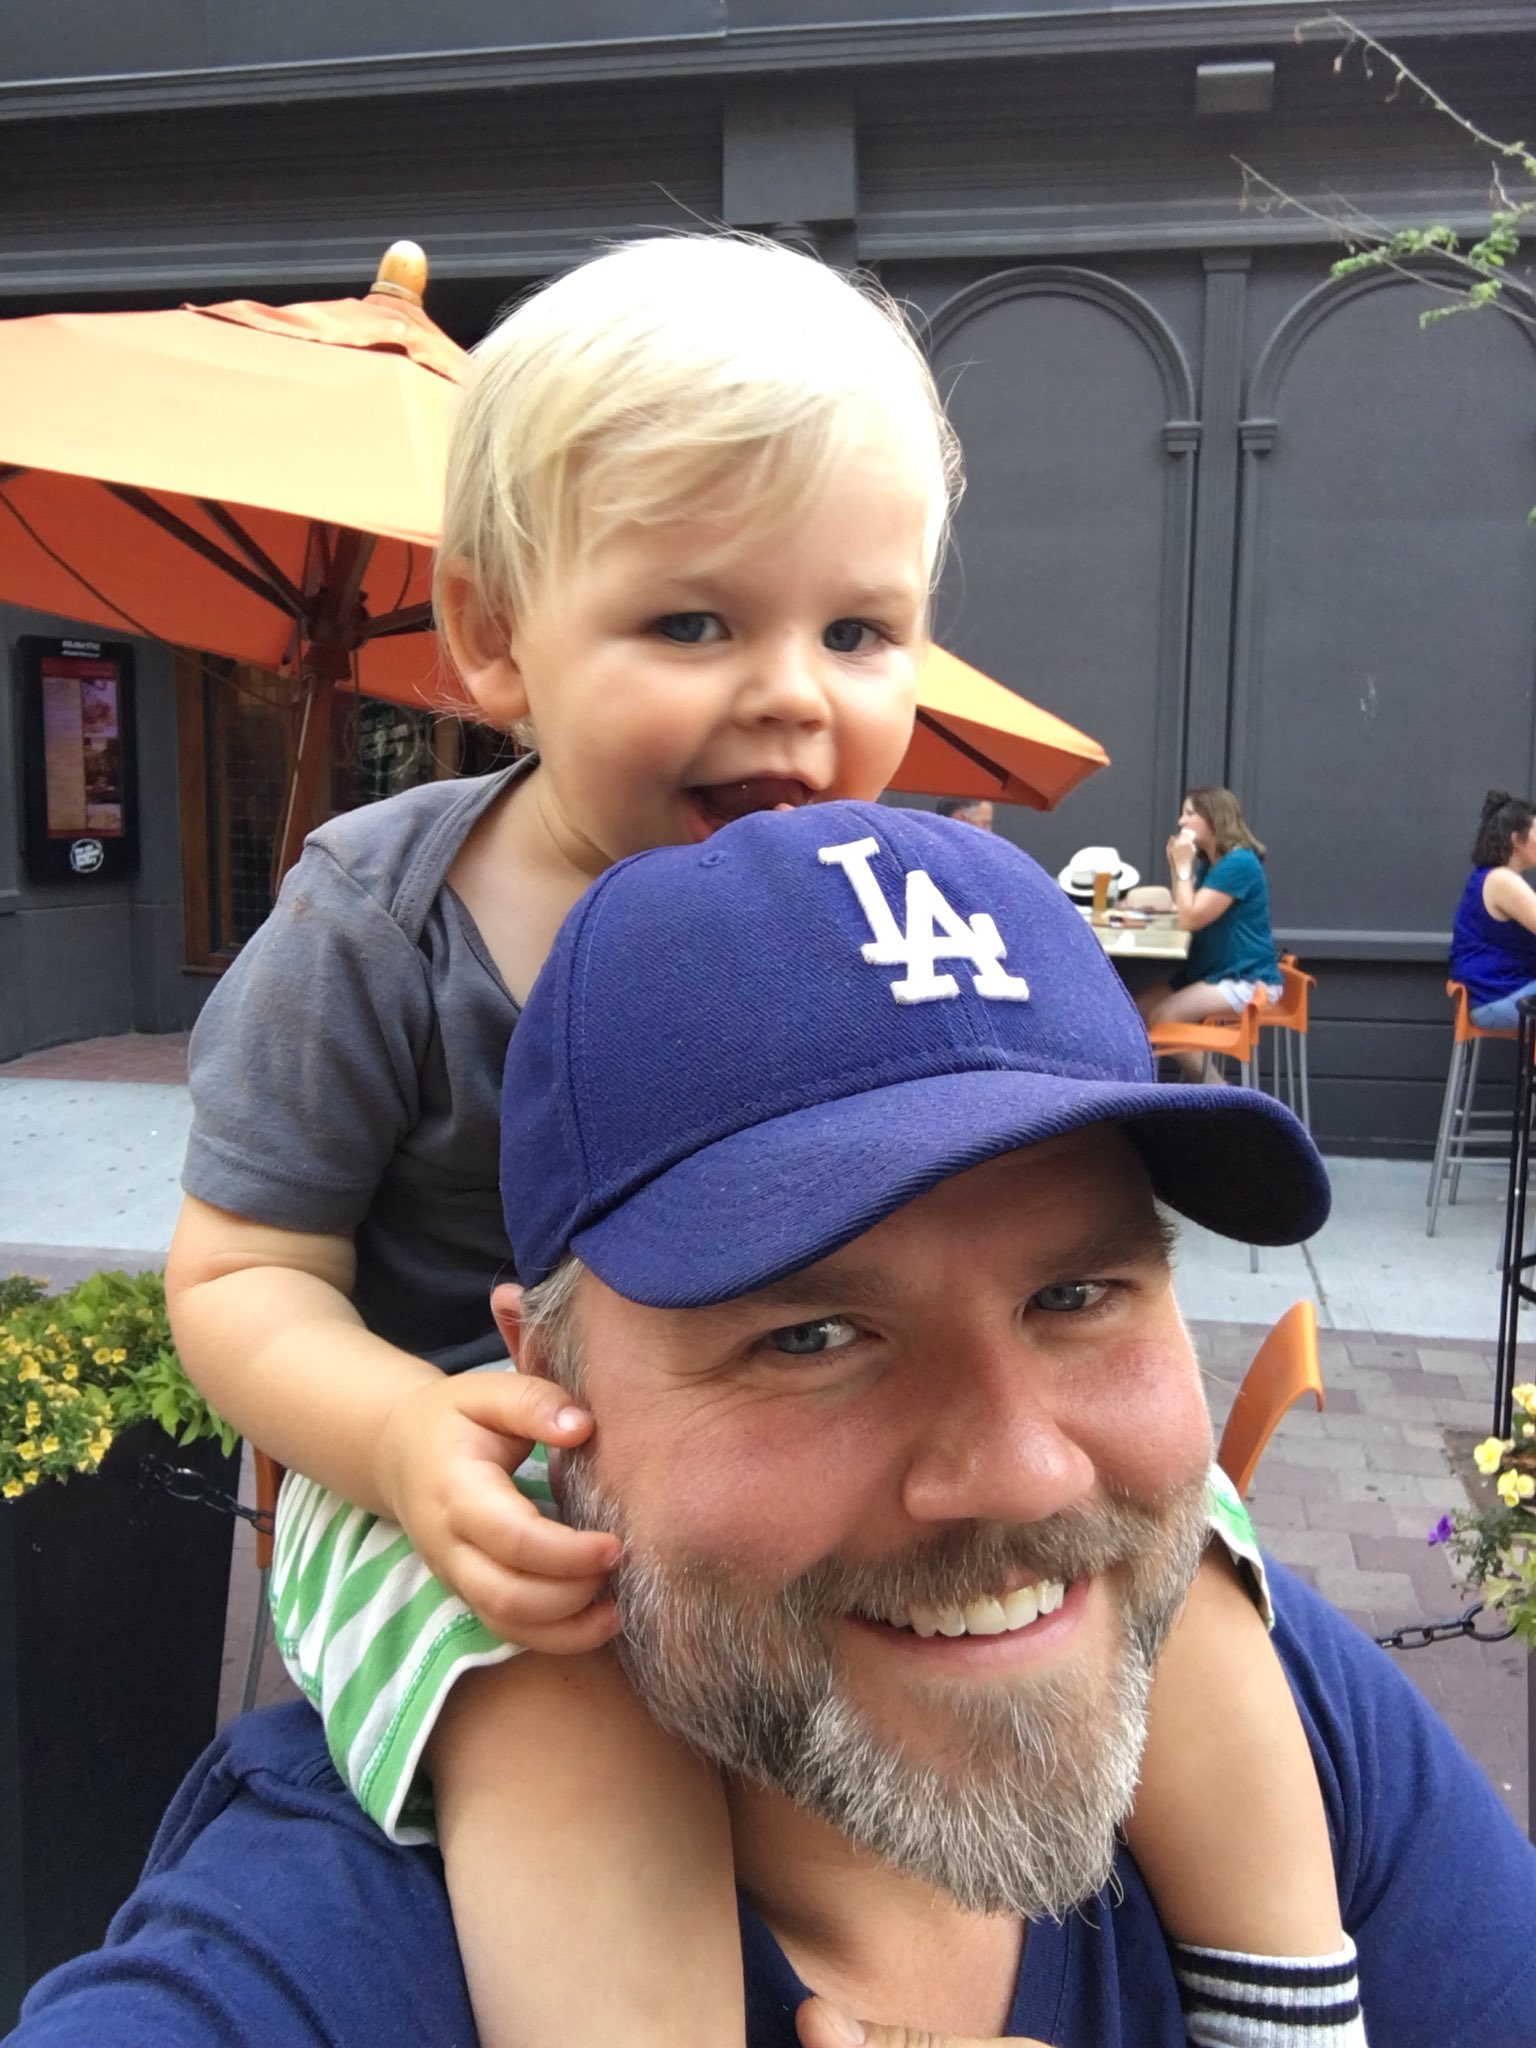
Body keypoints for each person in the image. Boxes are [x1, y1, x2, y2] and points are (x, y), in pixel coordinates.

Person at [158, 232, 1340, 2048]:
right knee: (550, 1704)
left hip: (828, 1430)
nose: (796, 691)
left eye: (859, 631)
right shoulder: (377, 922)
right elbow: (240, 1269)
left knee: (1183, 1555)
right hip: (474, 1460)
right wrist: (394, 1434)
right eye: (693, 622)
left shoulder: (894, 898)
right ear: (488, 632)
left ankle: (1290, 1998)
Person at [16, 805, 1536, 2048]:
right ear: (553, 1388)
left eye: (1077, 1294)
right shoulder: (335, 1953)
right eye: (809, 1336)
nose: (1018, 1467)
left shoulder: (1286, 1709)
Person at [1137, 787, 1281, 1082]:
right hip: (1214, 971)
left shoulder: (1239, 864)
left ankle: (1222, 1098)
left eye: (1190, 814)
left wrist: (1181, 866)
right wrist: (1181, 869)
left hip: (1245, 978)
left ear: (1213, 818)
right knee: (1135, 1011)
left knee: (1164, 1019)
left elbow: (1189, 918)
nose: (1181, 821)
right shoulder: (1211, 864)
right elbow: (1185, 907)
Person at [1449, 788, 1536, 1027]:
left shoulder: (1490, 876)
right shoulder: (1502, 880)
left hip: (1496, 991)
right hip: (1497, 996)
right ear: (1516, 839)